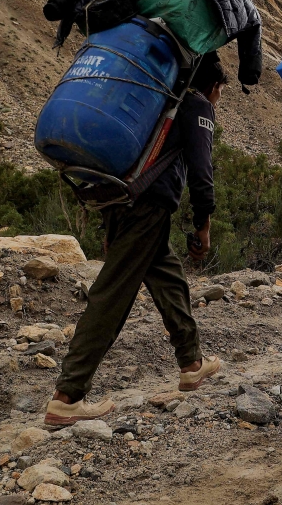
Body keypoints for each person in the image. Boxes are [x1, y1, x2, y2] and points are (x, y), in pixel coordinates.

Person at [44, 56, 228, 426]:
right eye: (221, 91)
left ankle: (191, 362)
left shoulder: (157, 101)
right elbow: (201, 170)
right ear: (213, 86)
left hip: (120, 199)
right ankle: (67, 396)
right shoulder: (196, 104)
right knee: (112, 295)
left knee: (168, 277)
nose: (219, 98)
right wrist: (203, 224)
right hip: (146, 206)